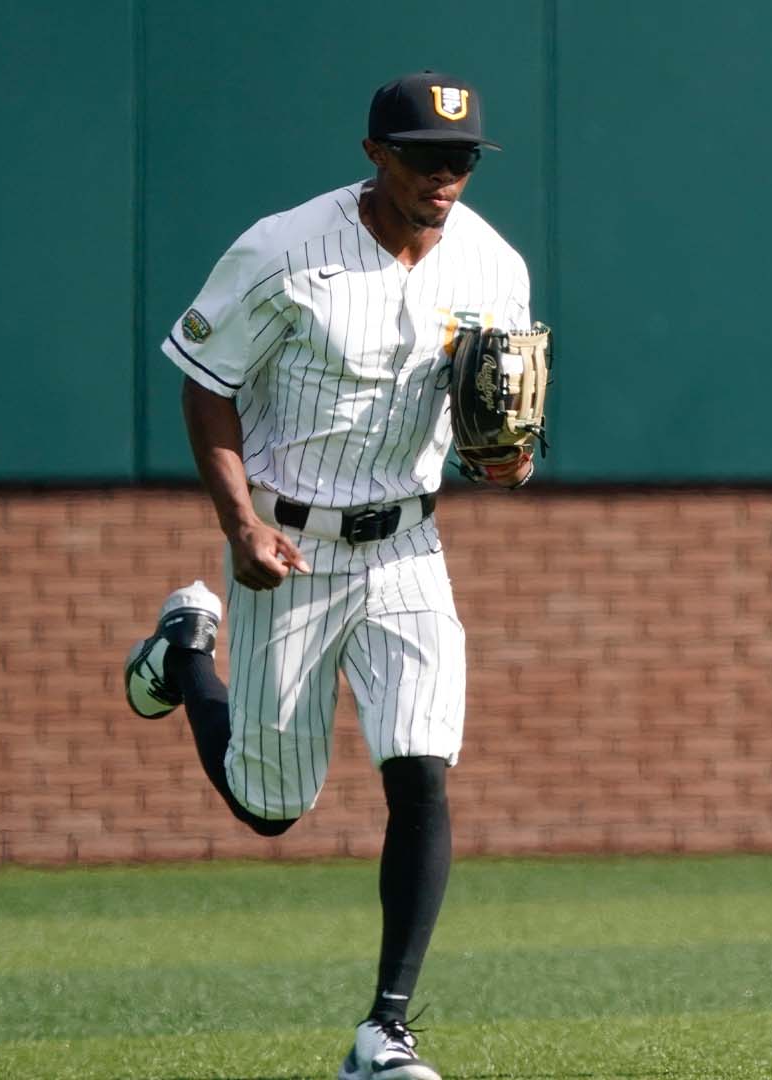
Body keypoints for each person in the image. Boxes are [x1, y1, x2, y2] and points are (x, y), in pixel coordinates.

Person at [124, 70, 534, 1080]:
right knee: (271, 804)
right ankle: (188, 650)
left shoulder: (492, 264)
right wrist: (241, 523)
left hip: (408, 548)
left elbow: (507, 412)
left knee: (422, 769)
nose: (448, 174)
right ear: (375, 154)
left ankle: (385, 1030)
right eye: (427, 155)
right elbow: (207, 384)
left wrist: (510, 456)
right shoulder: (282, 250)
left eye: (464, 158)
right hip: (291, 549)